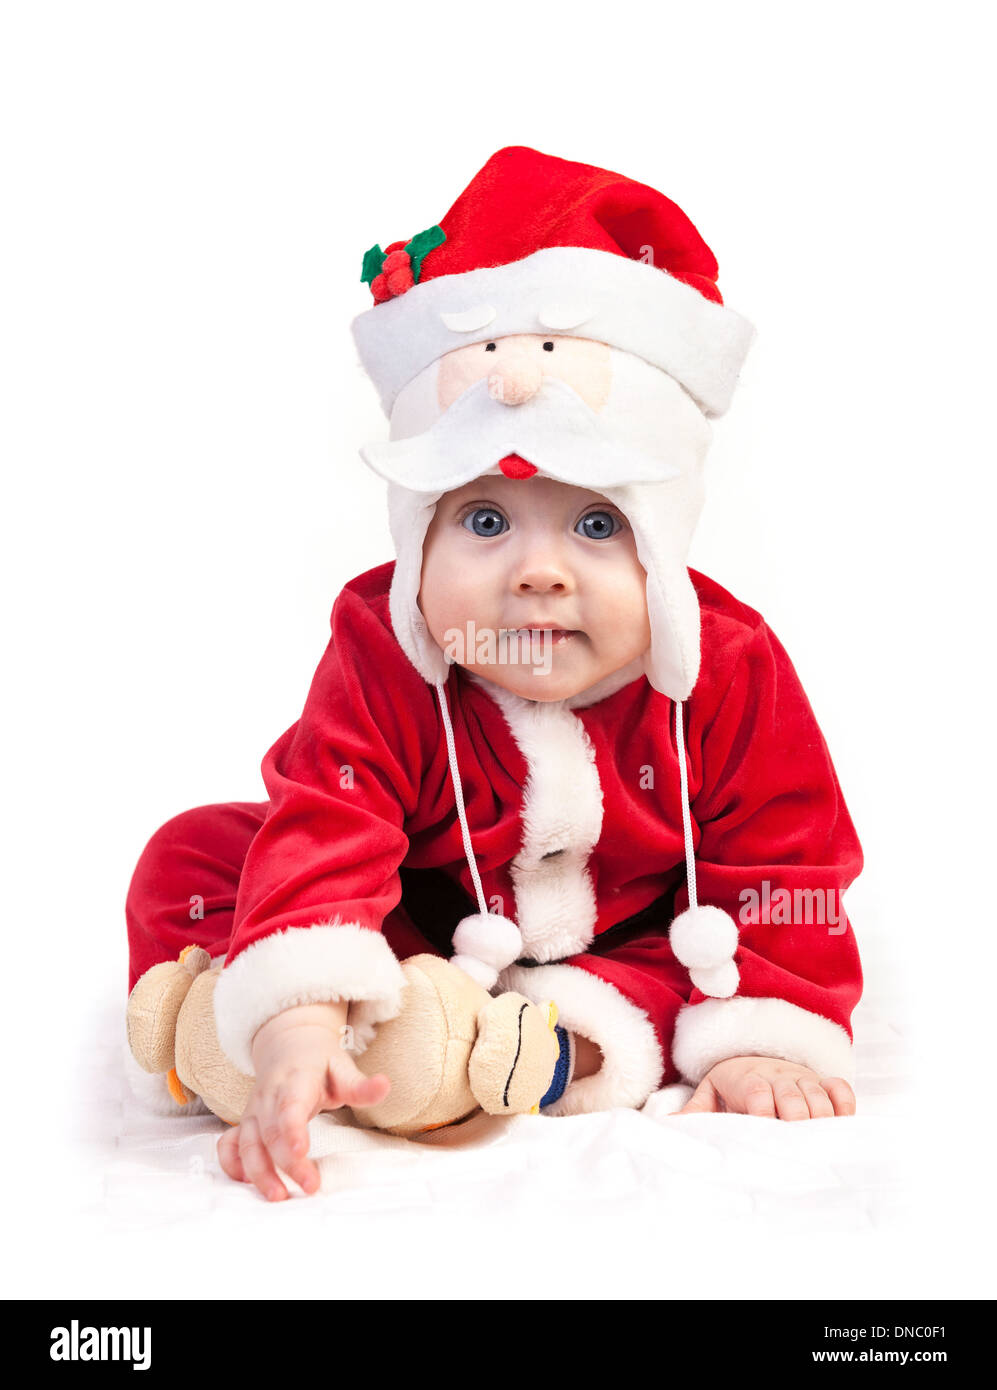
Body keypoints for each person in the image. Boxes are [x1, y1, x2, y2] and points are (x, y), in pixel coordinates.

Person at [125, 147, 863, 1203]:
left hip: (628, 929)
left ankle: (536, 1051)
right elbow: (330, 820)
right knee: (199, 851)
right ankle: (250, 1031)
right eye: (482, 520)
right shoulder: (383, 643)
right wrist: (295, 1006)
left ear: (661, 547)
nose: (540, 574)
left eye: (598, 523)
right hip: (413, 911)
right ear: (415, 538)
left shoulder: (727, 665)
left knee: (673, 977)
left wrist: (770, 1032)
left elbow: (789, 865)